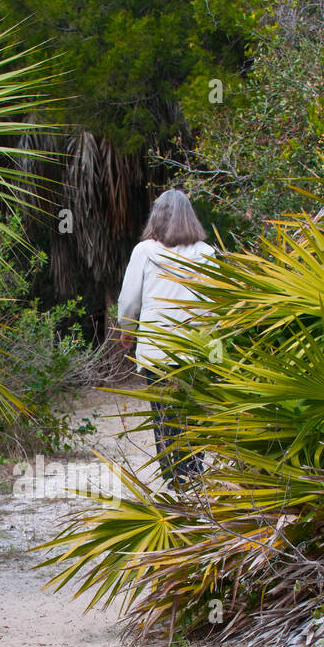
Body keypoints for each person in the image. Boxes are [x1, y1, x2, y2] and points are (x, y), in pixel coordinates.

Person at [116, 189, 215, 488]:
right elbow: (217, 305)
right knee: (193, 415)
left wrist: (127, 331)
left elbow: (129, 301)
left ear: (156, 216)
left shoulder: (144, 251)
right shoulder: (207, 254)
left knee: (164, 418)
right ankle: (194, 476)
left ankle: (175, 482)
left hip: (157, 352)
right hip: (196, 351)